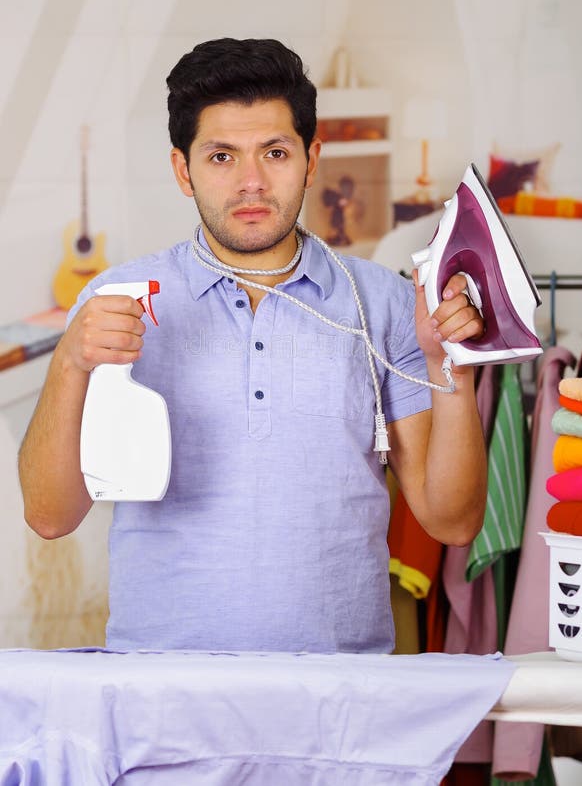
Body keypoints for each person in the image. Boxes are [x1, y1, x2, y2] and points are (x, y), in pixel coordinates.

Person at [18, 38, 487, 653]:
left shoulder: (385, 304)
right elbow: (51, 517)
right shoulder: (120, 298)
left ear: (311, 158)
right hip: (161, 690)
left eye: (274, 152)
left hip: (338, 692)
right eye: (220, 156)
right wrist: (71, 361)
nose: (251, 183)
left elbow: (452, 522)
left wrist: (450, 364)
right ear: (183, 170)